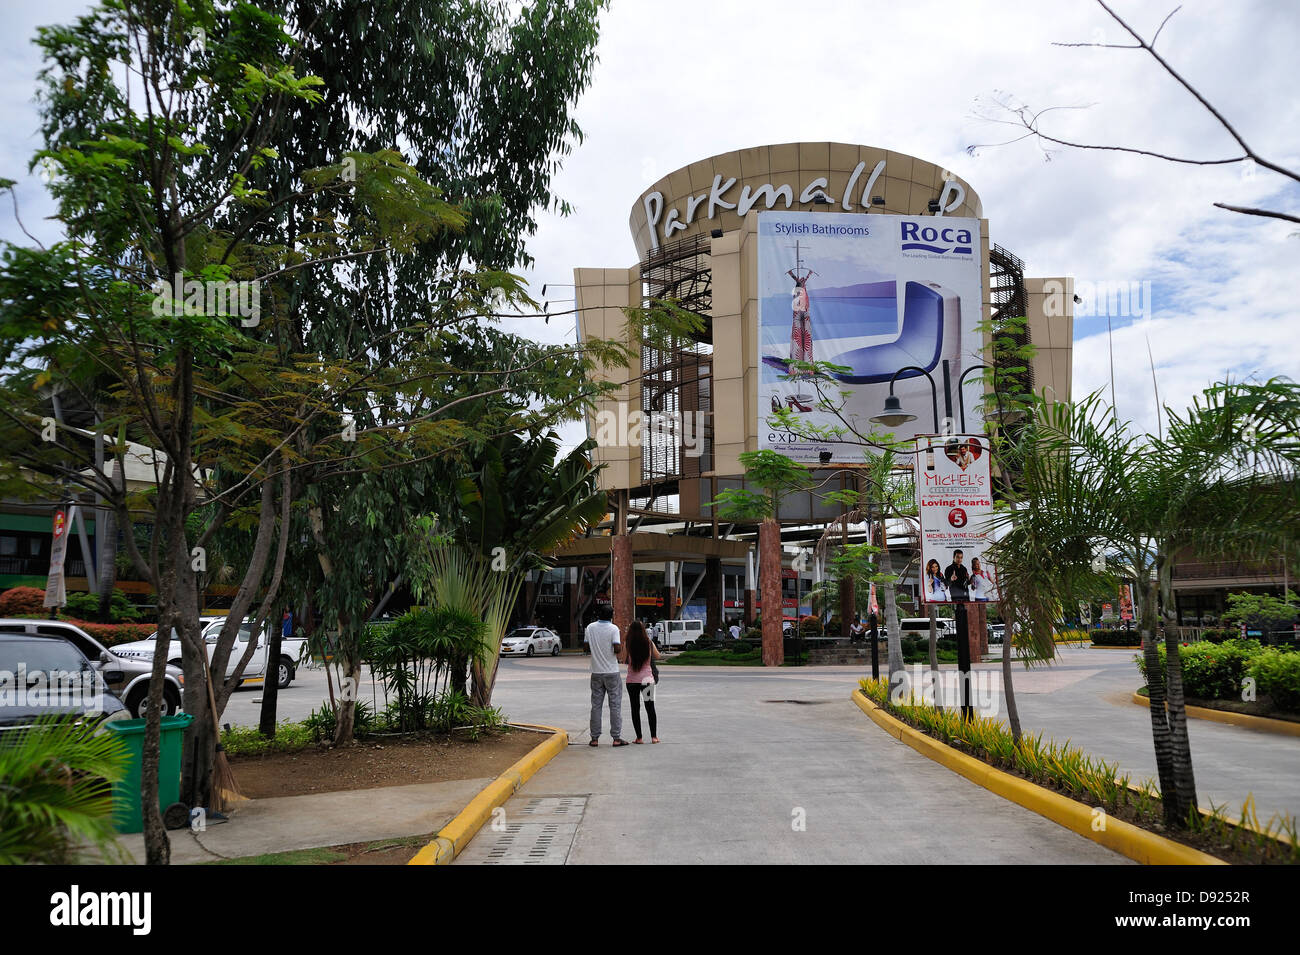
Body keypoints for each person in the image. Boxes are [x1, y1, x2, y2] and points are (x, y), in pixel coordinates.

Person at [583, 605, 627, 747]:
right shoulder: (614, 629)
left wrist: (597, 648)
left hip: (596, 672)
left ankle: (594, 738)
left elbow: (585, 648)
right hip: (611, 671)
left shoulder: (590, 628)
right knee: (614, 705)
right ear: (611, 615)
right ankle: (616, 738)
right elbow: (617, 649)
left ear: (598, 614)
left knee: (596, 705)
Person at [623, 620, 661, 744]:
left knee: (635, 709)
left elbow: (624, 659)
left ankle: (639, 738)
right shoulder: (649, 642)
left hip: (632, 681)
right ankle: (654, 737)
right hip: (647, 680)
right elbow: (657, 656)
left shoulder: (628, 644)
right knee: (650, 708)